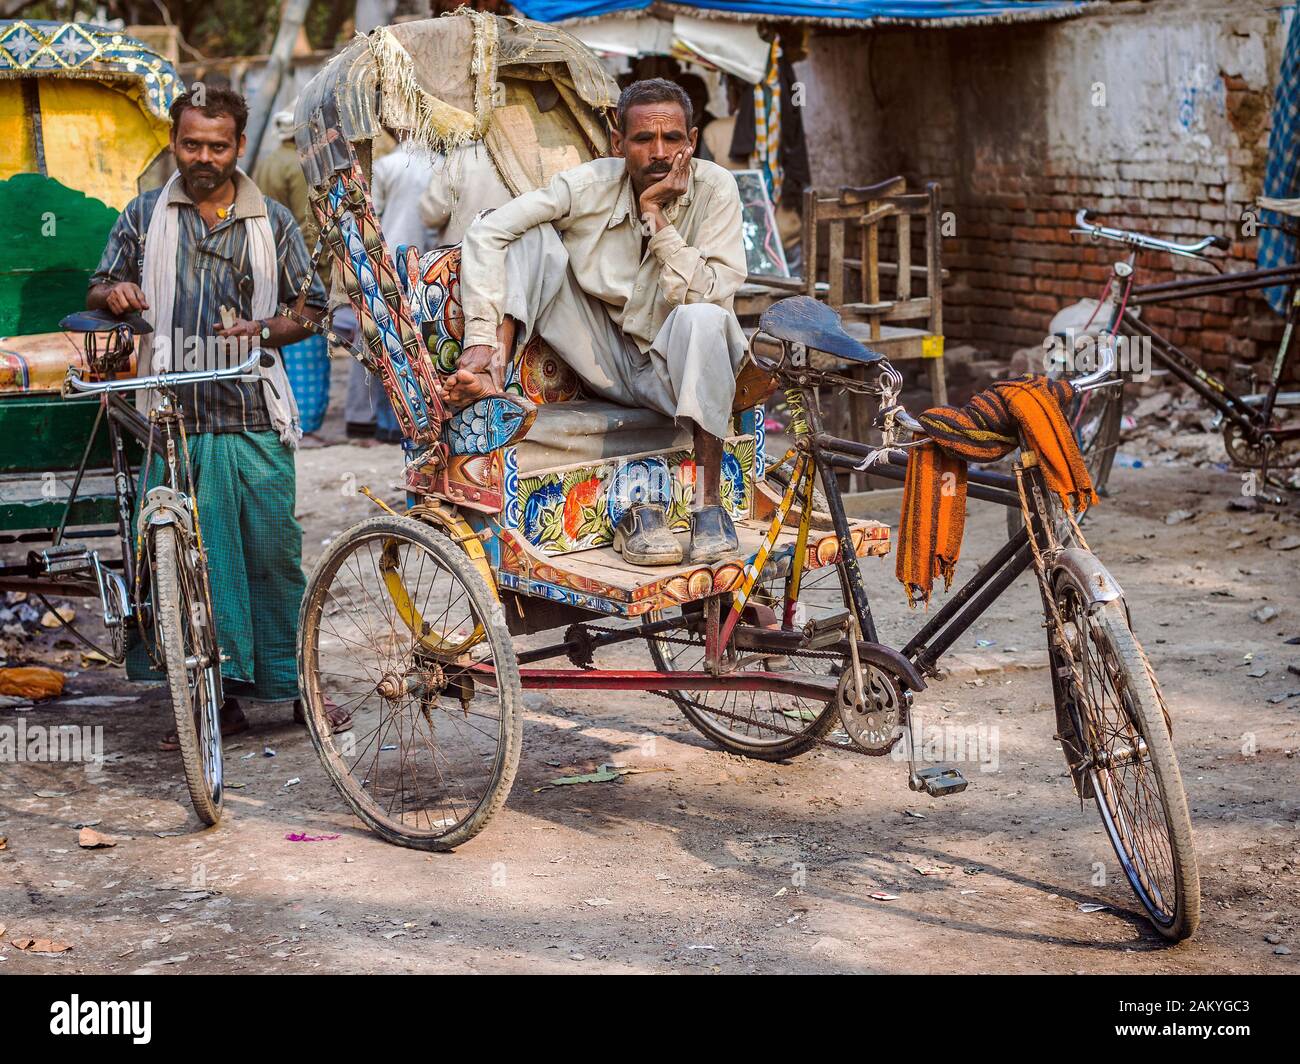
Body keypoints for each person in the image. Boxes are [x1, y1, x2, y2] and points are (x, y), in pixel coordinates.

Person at [87, 87, 351, 744]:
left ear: (239, 146)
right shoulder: (144, 215)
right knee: (183, 564)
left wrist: (265, 329)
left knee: (272, 557)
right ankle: (211, 694)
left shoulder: (275, 223)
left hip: (252, 419)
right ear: (175, 143)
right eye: (191, 144)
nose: (204, 157)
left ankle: (295, 689)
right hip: (169, 422)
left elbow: (310, 308)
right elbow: (99, 285)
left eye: (218, 145)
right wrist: (114, 292)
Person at [440, 78, 748, 566]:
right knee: (529, 238)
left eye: (672, 139)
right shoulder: (586, 186)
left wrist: (656, 220)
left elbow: (712, 289)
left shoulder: (716, 188)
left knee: (703, 317)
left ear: (691, 140)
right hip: (606, 360)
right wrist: (479, 339)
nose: (660, 153)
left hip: (677, 372)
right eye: (644, 140)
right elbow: (488, 232)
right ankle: (489, 372)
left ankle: (708, 504)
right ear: (618, 143)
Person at [418, 142, 512, 246]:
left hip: (461, 252)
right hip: (506, 251)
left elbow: (431, 214)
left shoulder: (459, 159)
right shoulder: (516, 158)